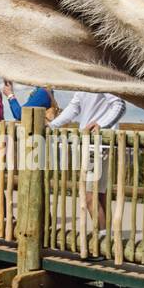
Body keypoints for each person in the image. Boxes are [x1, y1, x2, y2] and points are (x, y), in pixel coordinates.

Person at [49, 90, 126, 235]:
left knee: (88, 196)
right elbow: (74, 107)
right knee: (99, 195)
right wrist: (52, 125)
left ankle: (103, 242)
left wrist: (101, 125)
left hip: (97, 145)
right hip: (93, 144)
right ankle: (107, 239)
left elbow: (120, 105)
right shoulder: (84, 83)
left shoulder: (100, 77)